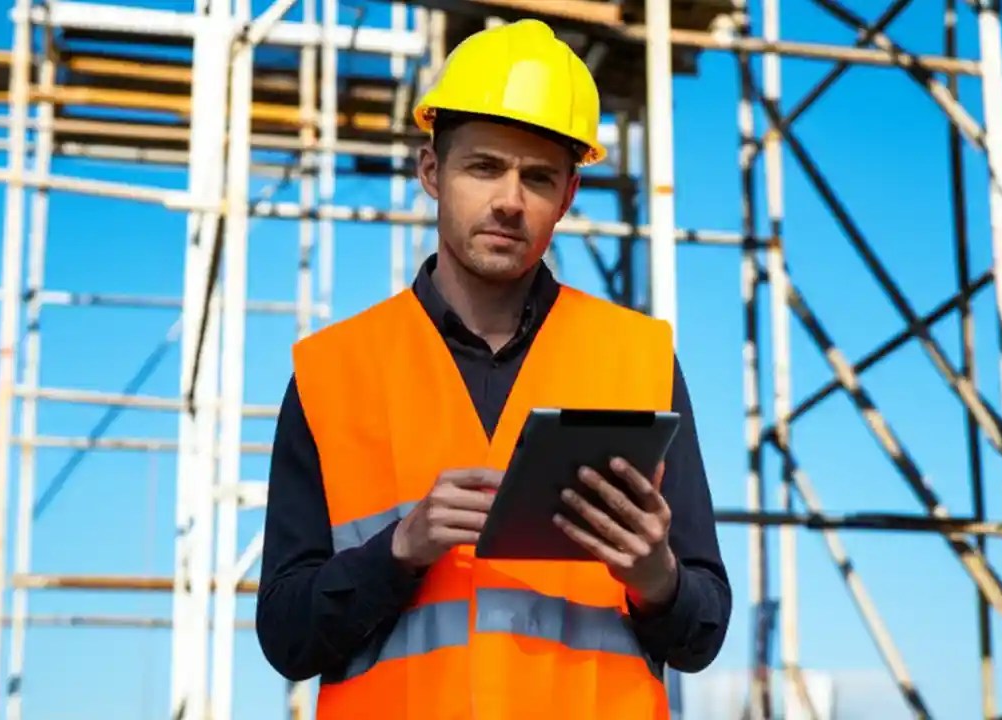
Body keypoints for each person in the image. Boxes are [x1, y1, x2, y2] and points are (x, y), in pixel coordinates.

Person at [255, 18, 732, 719]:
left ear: (567, 197)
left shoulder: (640, 360)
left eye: (538, 177)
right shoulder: (333, 373)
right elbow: (286, 637)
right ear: (430, 172)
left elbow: (702, 630)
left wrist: (656, 576)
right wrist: (399, 552)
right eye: (484, 166)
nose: (510, 199)